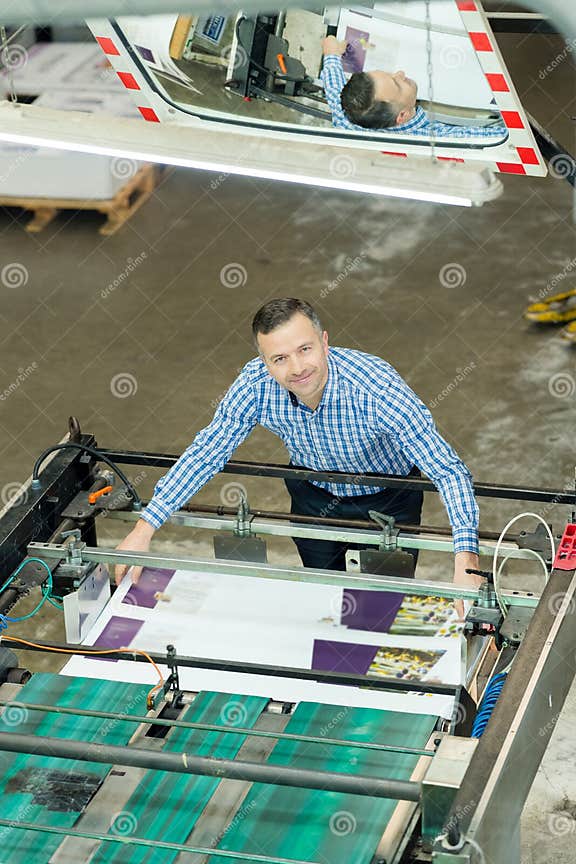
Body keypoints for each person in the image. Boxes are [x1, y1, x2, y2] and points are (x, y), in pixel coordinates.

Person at [114, 298, 481, 606]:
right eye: (279, 358)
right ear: (264, 360)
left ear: (324, 341)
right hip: (313, 498)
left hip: (387, 500)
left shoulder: (376, 388)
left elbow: (447, 470)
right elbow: (209, 450)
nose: (297, 368)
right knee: (323, 597)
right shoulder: (256, 384)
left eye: (305, 349)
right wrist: (145, 528)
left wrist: (466, 560)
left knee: (380, 606)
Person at [321, 35, 505, 138]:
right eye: (398, 84)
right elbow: (502, 136)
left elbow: (334, 85)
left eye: (390, 75)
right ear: (403, 115)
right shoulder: (436, 137)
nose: (400, 73)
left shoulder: (350, 118)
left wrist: (332, 52)